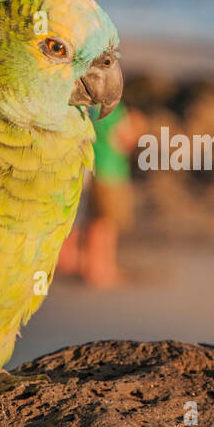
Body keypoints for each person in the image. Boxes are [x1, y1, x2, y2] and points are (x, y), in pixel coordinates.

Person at [57, 101, 142, 289]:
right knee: (105, 224)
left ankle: (96, 266)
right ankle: (100, 268)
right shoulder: (112, 108)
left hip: (96, 170)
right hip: (110, 172)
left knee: (95, 222)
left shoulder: (90, 107)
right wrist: (137, 126)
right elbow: (122, 139)